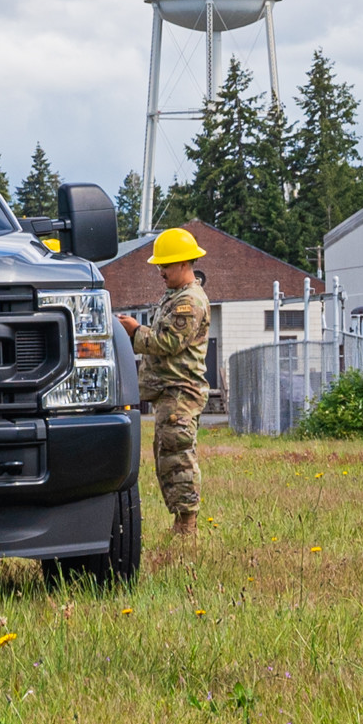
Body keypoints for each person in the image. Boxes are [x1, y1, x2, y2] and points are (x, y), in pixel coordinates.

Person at [118, 228, 212, 539]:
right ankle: (181, 524)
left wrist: (134, 332)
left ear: (185, 264)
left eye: (166, 266)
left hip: (180, 393)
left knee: (178, 457)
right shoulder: (174, 297)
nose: (161, 272)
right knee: (167, 457)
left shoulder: (189, 302)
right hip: (168, 393)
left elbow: (169, 341)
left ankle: (187, 528)